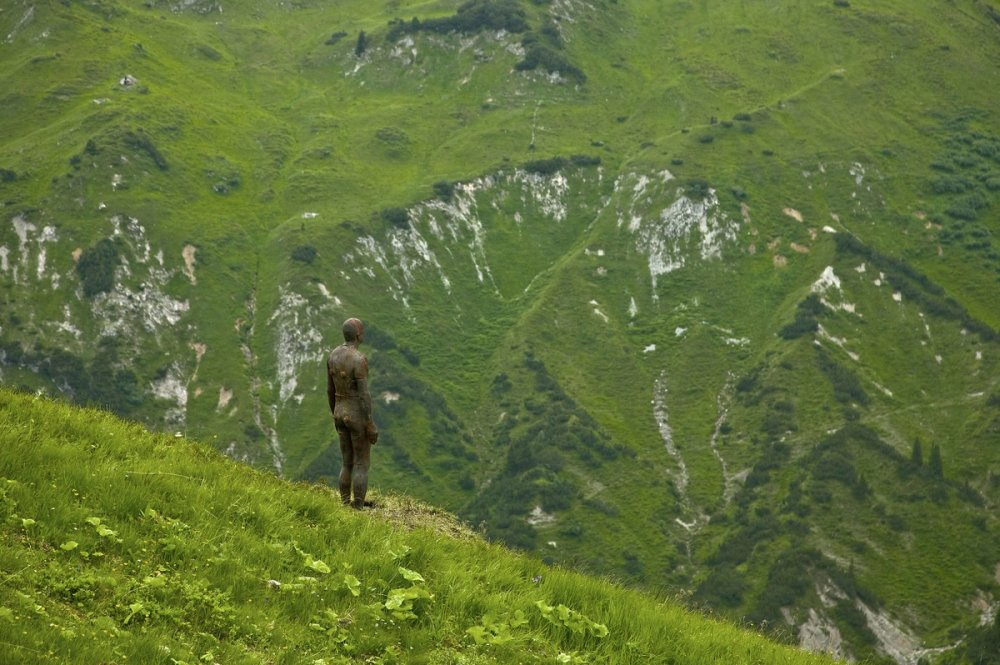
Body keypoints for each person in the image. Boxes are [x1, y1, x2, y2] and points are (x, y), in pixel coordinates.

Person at [327, 317, 378, 509]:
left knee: (346, 462)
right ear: (358, 335)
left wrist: (335, 412)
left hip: (339, 412)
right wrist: (370, 424)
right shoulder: (359, 360)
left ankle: (344, 503)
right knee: (361, 464)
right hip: (356, 415)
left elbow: (329, 390)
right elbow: (364, 395)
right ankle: (357, 507)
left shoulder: (333, 356)